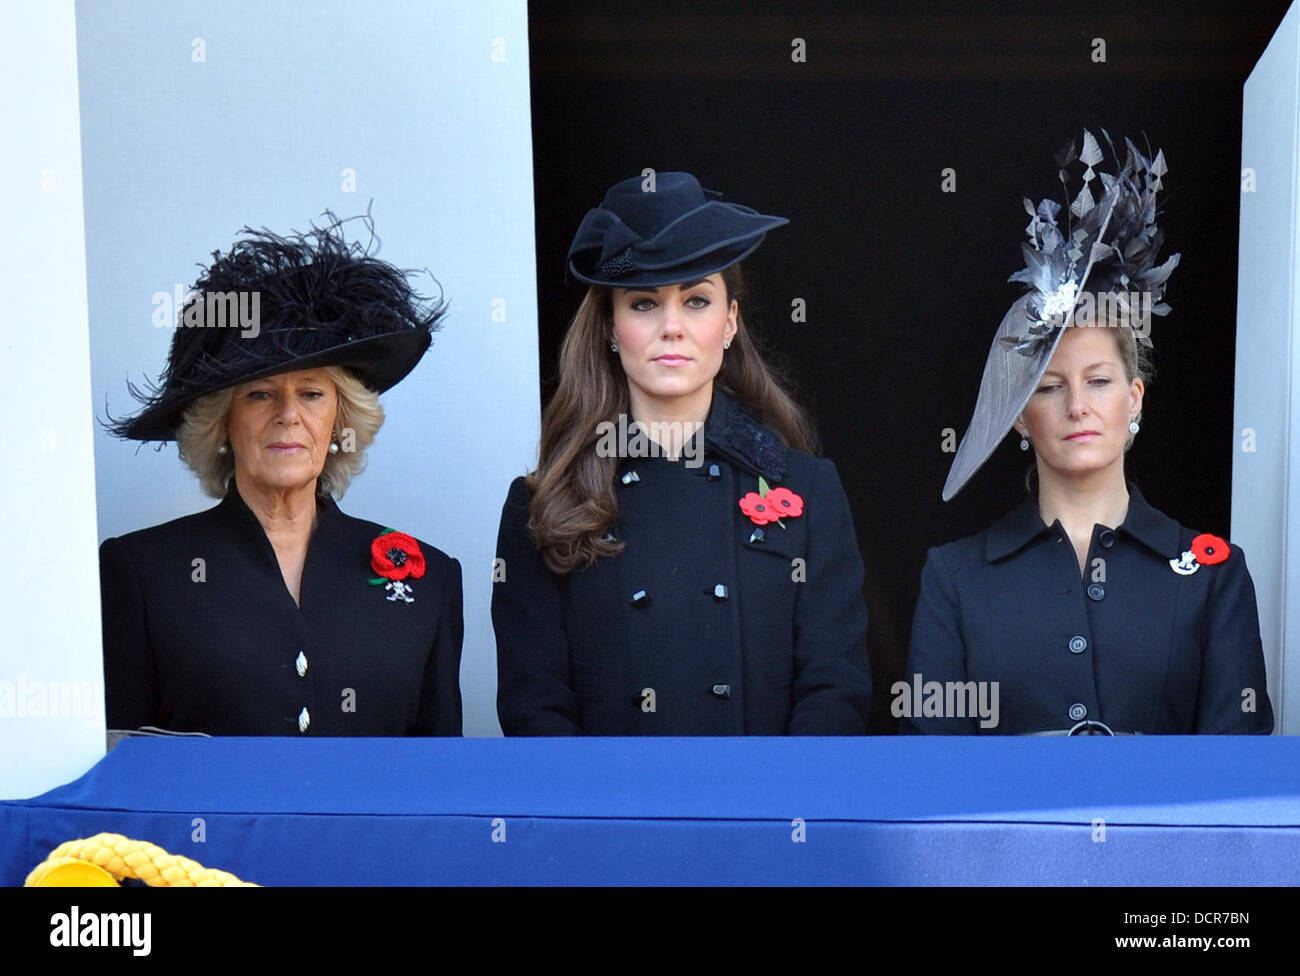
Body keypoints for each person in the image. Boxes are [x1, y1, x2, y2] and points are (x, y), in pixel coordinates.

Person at [903, 130, 1273, 735]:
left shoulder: (1215, 575)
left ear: (1135, 399)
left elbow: (1233, 785)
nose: (1077, 405)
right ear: (1020, 415)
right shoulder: (956, 579)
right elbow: (932, 775)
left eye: (1099, 382)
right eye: (1049, 387)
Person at [492, 171, 871, 735]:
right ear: (610, 329)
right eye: (644, 304)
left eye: (696, 300)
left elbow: (835, 690)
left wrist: (777, 813)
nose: (672, 328)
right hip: (613, 820)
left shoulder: (809, 489)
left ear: (730, 323)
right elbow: (535, 710)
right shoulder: (540, 504)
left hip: (769, 815)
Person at [100, 214, 463, 736]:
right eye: (259, 394)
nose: (288, 414)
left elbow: (438, 786)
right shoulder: (141, 572)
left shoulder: (430, 578)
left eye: (312, 393)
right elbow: (124, 784)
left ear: (341, 419)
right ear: (222, 423)